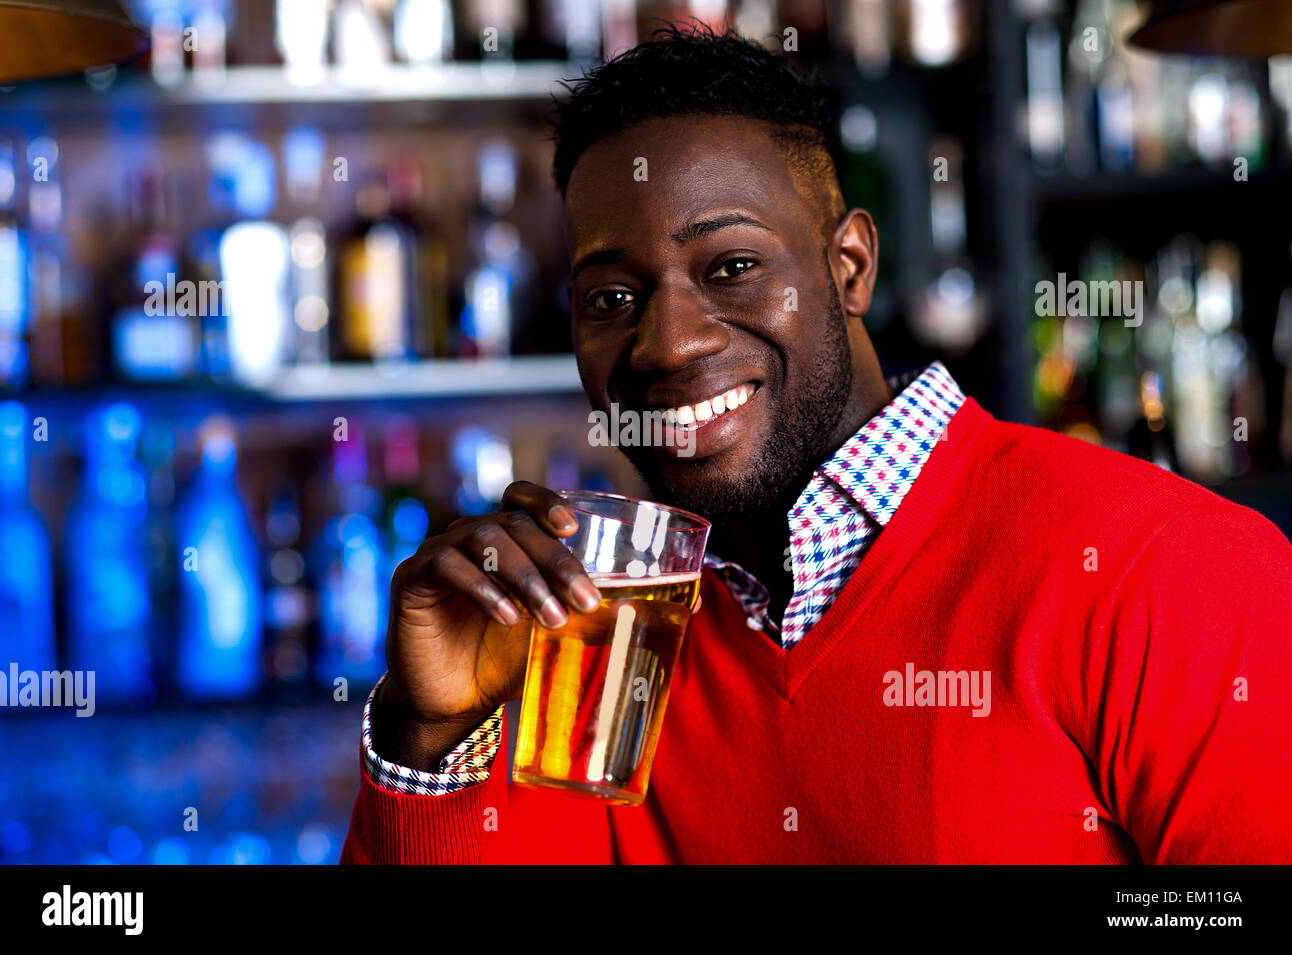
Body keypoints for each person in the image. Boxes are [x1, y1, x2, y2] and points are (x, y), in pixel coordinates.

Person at [341, 25, 1292, 864]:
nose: (667, 342)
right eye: (611, 298)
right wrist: (434, 731)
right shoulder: (602, 643)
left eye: (733, 266)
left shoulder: (1169, 567)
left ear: (849, 267)